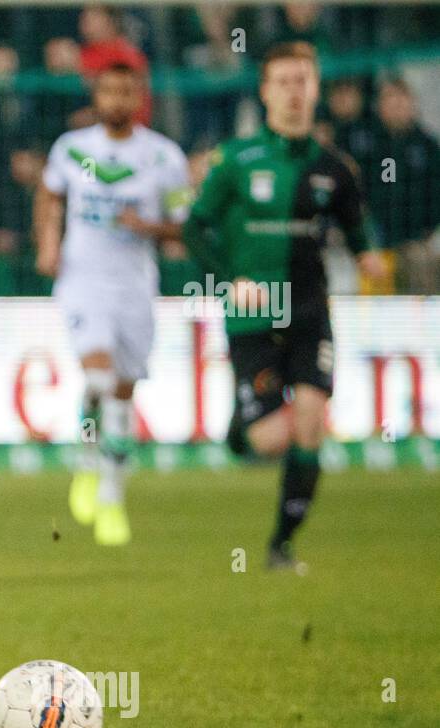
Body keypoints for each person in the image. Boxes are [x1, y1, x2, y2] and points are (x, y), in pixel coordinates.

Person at [183, 41, 386, 571]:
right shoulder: (235, 159)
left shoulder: (335, 168)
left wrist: (369, 259)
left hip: (310, 310)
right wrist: (231, 277)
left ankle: (281, 545)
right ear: (265, 90)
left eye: (304, 81)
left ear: (316, 89)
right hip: (253, 311)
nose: (295, 92)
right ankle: (239, 426)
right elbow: (194, 226)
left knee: (312, 420)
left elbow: (356, 228)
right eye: (284, 82)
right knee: (269, 437)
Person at [35, 63, 191, 545]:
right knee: (98, 378)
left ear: (139, 97)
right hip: (84, 279)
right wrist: (47, 242)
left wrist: (149, 226)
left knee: (122, 398)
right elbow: (49, 193)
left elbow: (184, 221)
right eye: (110, 91)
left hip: (135, 287)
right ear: (98, 96)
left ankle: (111, 496)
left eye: (127, 91)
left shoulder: (164, 157)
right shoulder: (72, 148)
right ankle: (86, 461)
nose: (118, 100)